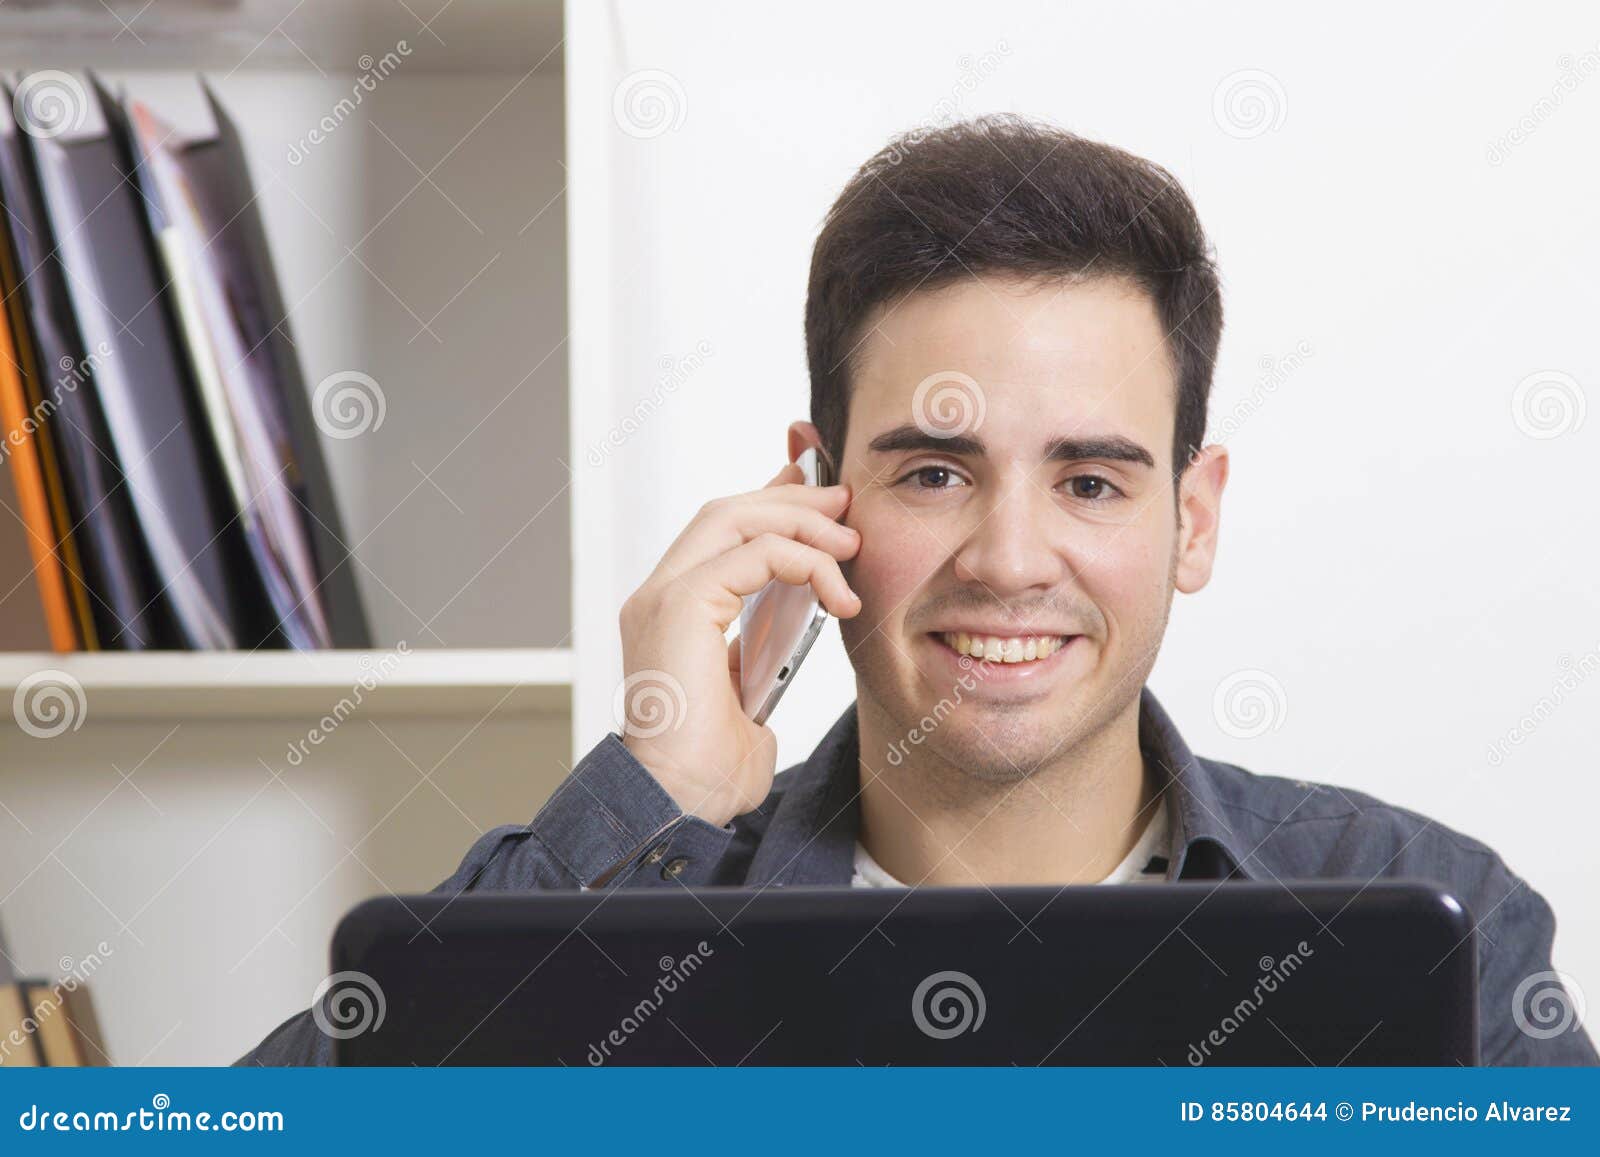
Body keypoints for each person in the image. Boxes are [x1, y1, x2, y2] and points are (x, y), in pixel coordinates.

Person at [240, 114, 1595, 1067]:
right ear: (812, 497)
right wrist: (645, 790)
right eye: (937, 473)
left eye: (1090, 480)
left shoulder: (1425, 918)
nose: (1009, 559)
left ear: (1192, 516)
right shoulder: (626, 914)